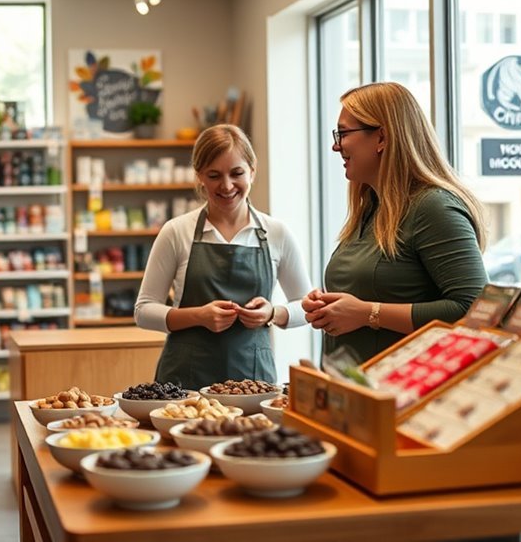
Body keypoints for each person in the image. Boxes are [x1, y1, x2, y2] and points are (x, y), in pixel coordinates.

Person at [304, 82, 488, 362]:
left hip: (404, 392)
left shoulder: (432, 207)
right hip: (355, 390)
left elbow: (473, 307)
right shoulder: (371, 207)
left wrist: (368, 314)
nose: (335, 145)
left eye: (343, 133)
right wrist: (327, 306)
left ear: (382, 138)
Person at [135, 124, 312, 390]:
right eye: (214, 175)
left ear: (253, 171)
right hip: (185, 384)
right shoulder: (176, 231)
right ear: (199, 177)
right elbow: (144, 311)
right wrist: (198, 316)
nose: (227, 185)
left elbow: (306, 306)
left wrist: (272, 312)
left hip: (252, 384)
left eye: (237, 173)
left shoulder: (277, 233)